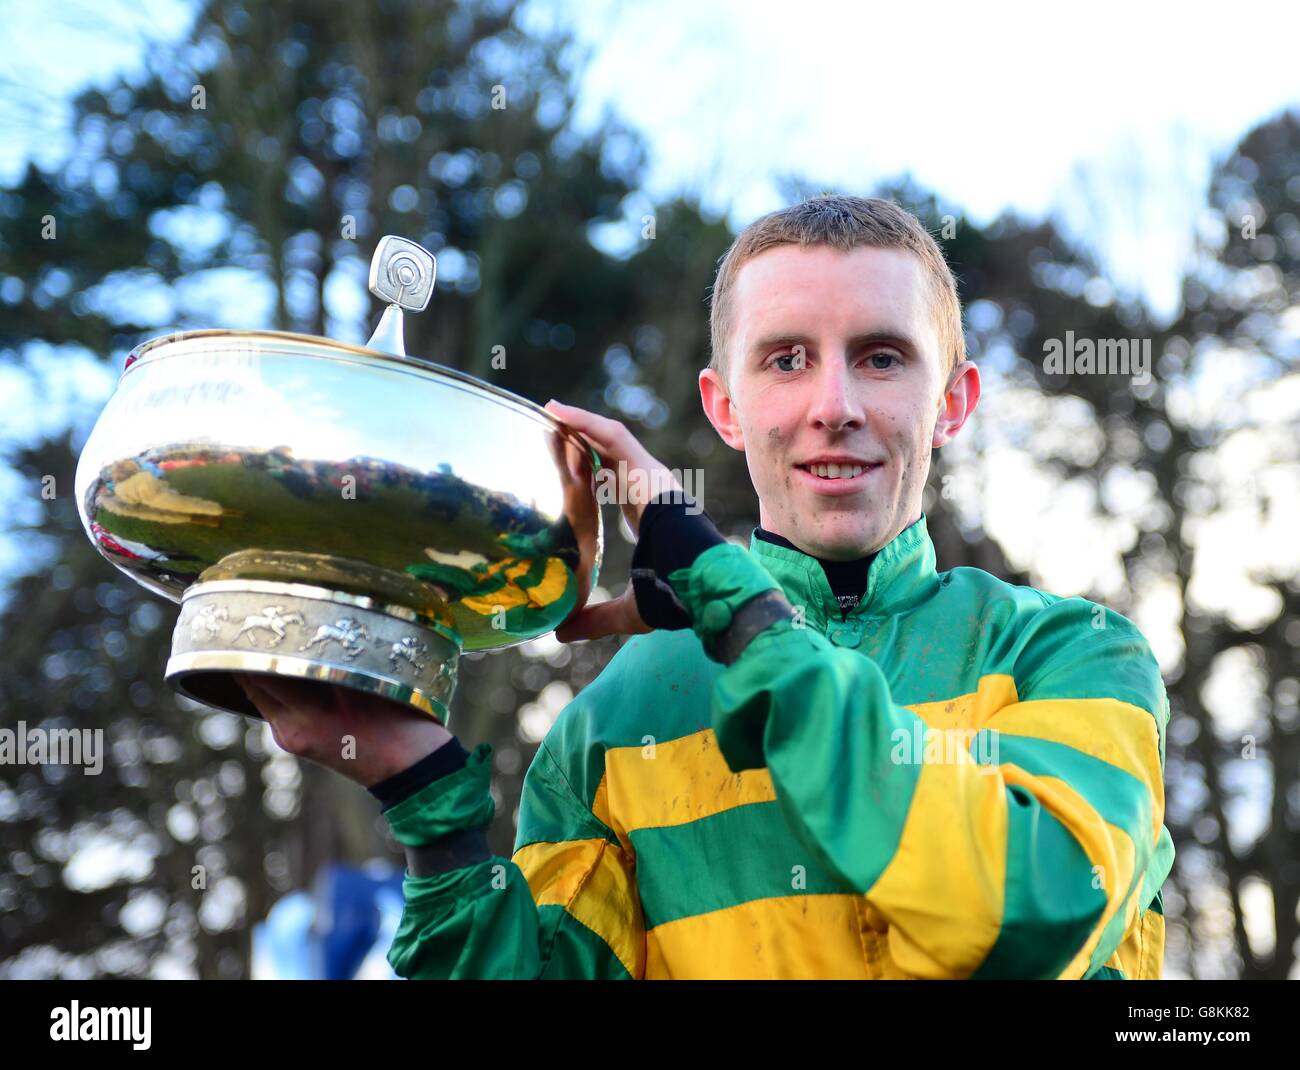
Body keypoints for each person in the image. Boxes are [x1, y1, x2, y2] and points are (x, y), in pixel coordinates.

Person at [238, 194, 1175, 979]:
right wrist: (427, 795)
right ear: (723, 407)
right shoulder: (610, 723)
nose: (834, 406)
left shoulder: (1077, 655)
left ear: (955, 401)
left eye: (882, 357)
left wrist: (747, 619)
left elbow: (1031, 912)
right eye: (785, 358)